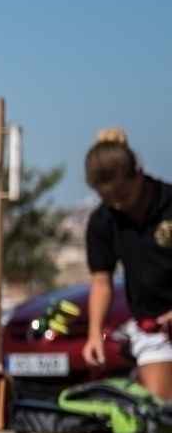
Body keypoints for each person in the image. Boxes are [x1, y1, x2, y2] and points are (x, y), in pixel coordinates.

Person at [82, 128, 172, 402]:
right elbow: (102, 283)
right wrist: (94, 334)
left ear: (138, 171)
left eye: (122, 194)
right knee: (160, 407)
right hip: (154, 328)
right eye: (108, 199)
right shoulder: (102, 222)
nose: (118, 204)